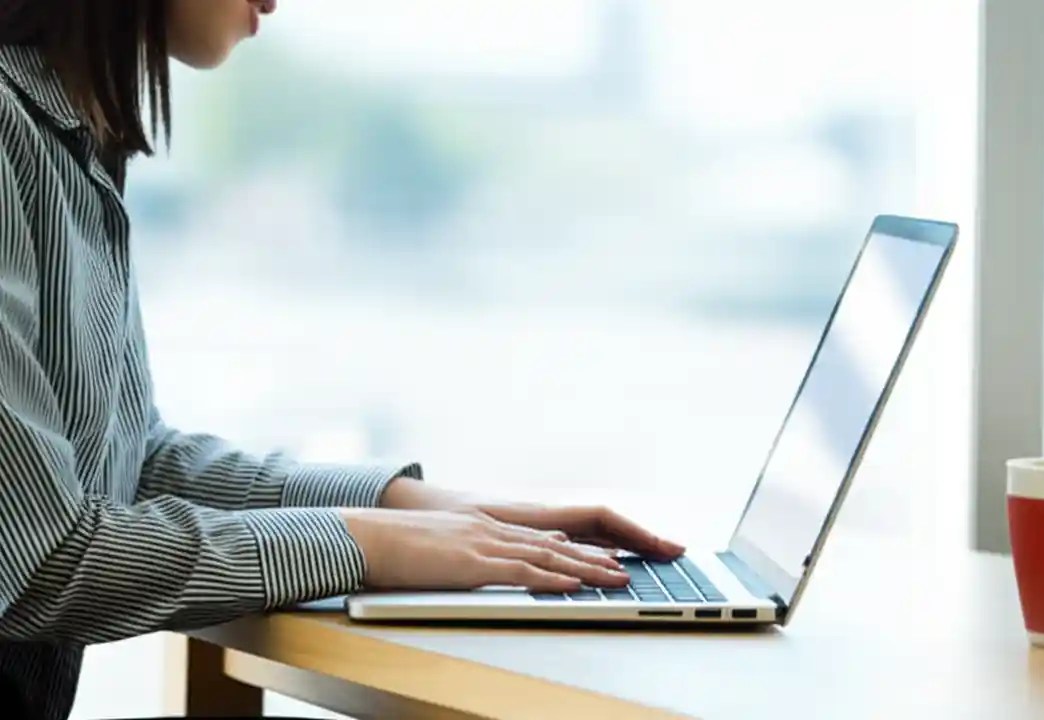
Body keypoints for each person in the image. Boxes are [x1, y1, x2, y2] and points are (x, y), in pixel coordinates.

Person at [0, 2, 686, 719]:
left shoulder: (73, 142)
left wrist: (429, 511)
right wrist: (370, 544)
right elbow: (38, 558)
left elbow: (132, 464)